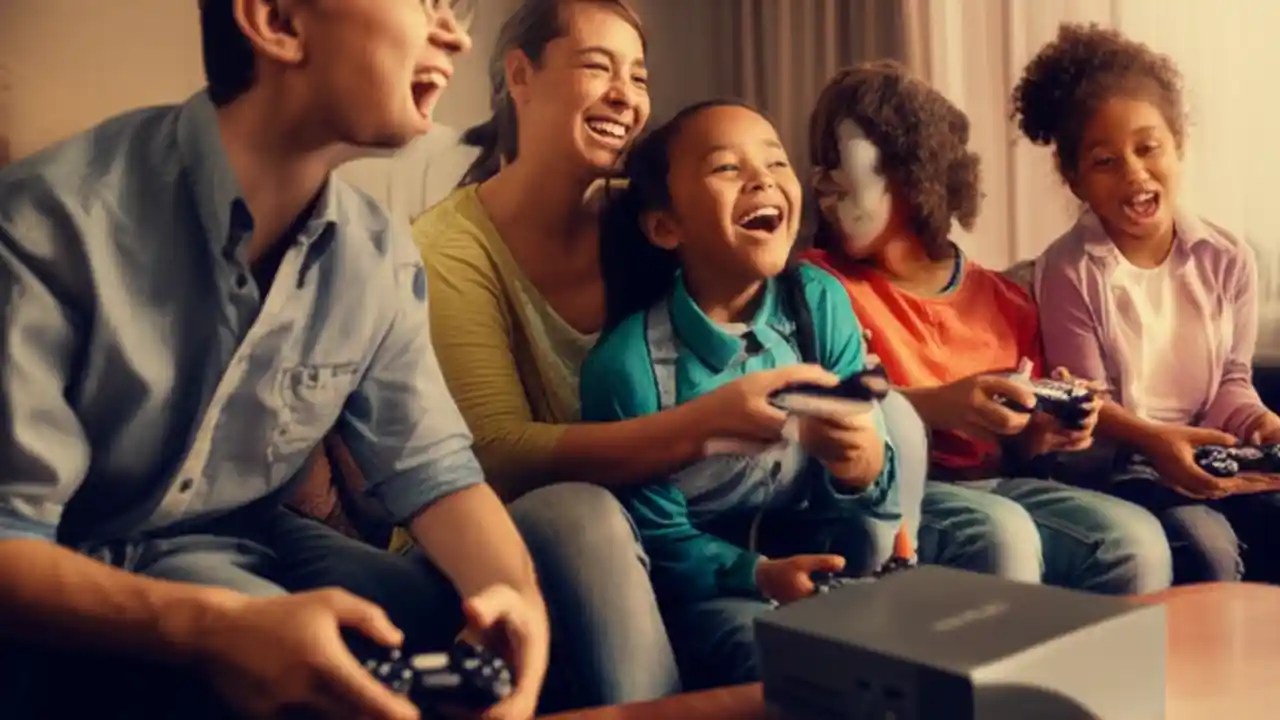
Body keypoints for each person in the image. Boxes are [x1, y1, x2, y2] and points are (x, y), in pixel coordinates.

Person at [0, 2, 550, 719]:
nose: (456, 35)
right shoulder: (47, 223)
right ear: (277, 20)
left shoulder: (376, 256)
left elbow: (436, 476)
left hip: (257, 541)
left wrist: (520, 606)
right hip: (76, 582)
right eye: (420, 2)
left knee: (535, 559)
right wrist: (216, 627)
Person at [413, 0, 875, 701]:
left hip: (676, 516)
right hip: (526, 528)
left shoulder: (648, 216)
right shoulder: (450, 247)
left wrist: (879, 411)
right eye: (599, 67)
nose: (627, 97)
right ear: (519, 75)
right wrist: (701, 426)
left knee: (887, 422)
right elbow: (499, 453)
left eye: (639, 74)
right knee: (583, 511)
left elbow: (762, 306)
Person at [579, 98, 921, 689]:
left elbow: (867, 499)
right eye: (726, 168)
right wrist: (758, 575)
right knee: (781, 657)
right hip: (706, 593)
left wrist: (860, 469)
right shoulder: (629, 368)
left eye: (775, 161)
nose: (762, 179)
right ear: (665, 227)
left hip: (823, 555)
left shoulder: (818, 301)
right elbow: (656, 541)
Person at [804, 61, 1173, 595]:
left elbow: (1023, 450)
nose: (823, 184)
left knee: (1134, 540)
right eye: (821, 166)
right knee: (1002, 535)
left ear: (915, 175)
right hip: (897, 494)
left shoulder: (1005, 301)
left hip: (999, 485)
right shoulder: (821, 286)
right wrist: (940, 404)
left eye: (844, 163)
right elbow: (825, 411)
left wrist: (1049, 428)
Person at [1015, 23, 1280, 583]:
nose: (1133, 172)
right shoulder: (1067, 270)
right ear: (1074, 179)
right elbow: (1089, 400)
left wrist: (1260, 422)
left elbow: (1232, 381)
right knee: (1206, 550)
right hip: (1123, 465)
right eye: (1104, 161)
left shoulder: (1228, 257)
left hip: (1210, 449)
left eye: (1147, 147)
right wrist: (1158, 443)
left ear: (1177, 143)